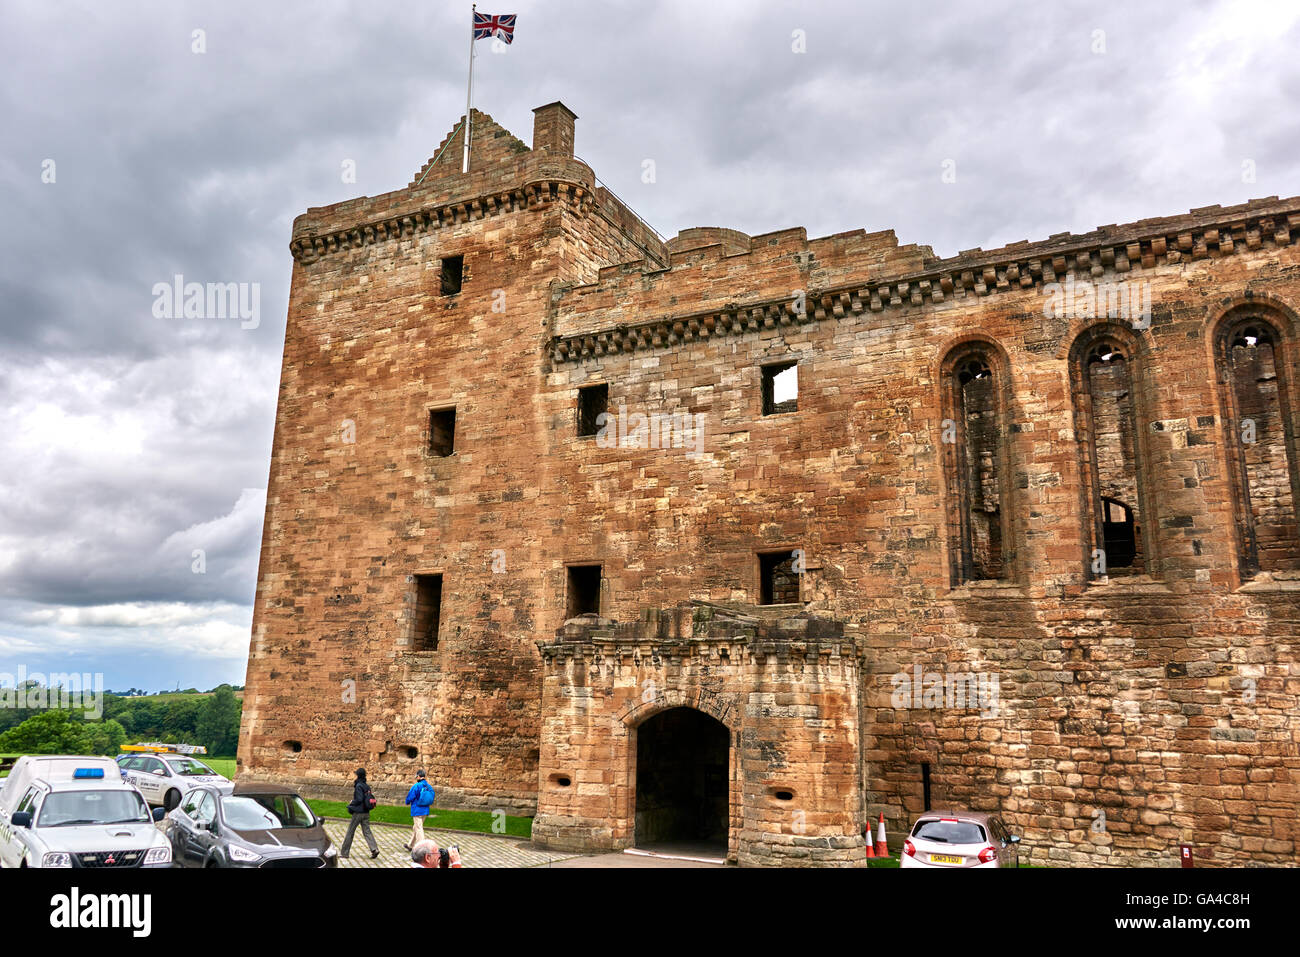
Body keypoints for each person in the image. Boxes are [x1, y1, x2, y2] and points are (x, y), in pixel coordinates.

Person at [339, 767, 380, 859]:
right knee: (367, 831)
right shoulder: (367, 786)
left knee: (350, 832)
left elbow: (359, 799)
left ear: (358, 775)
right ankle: (374, 849)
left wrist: (351, 803)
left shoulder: (359, 786)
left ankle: (344, 853)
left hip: (358, 813)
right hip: (366, 812)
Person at [404, 769, 436, 850]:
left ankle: (421, 848)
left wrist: (407, 802)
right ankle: (410, 845)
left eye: (416, 776)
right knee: (416, 827)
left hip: (417, 810)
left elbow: (410, 796)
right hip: (425, 810)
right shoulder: (428, 786)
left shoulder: (416, 786)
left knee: (418, 829)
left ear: (418, 776)